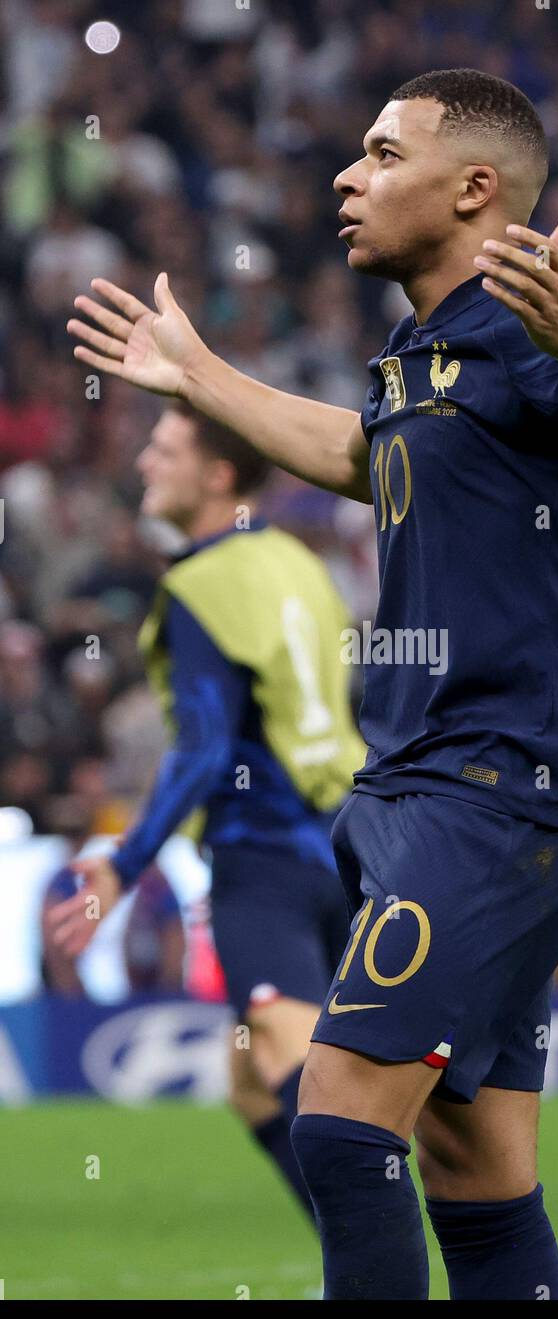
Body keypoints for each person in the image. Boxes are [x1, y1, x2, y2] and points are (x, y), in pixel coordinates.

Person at [65, 68, 558, 1300]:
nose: (345, 177)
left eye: (377, 153)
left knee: (340, 1127)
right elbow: (356, 452)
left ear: (473, 187)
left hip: (502, 781)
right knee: (476, 1169)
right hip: (421, 784)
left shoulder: (528, 322)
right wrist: (198, 376)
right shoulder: (420, 350)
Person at [47, 400, 364, 1218]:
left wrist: (122, 864)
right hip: (352, 842)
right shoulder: (298, 564)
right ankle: (367, 1256)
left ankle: (382, 1275)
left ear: (218, 475)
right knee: (253, 1088)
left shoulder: (198, 584)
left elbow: (205, 747)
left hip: (266, 863)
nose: (146, 463)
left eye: (165, 450)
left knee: (312, 1097)